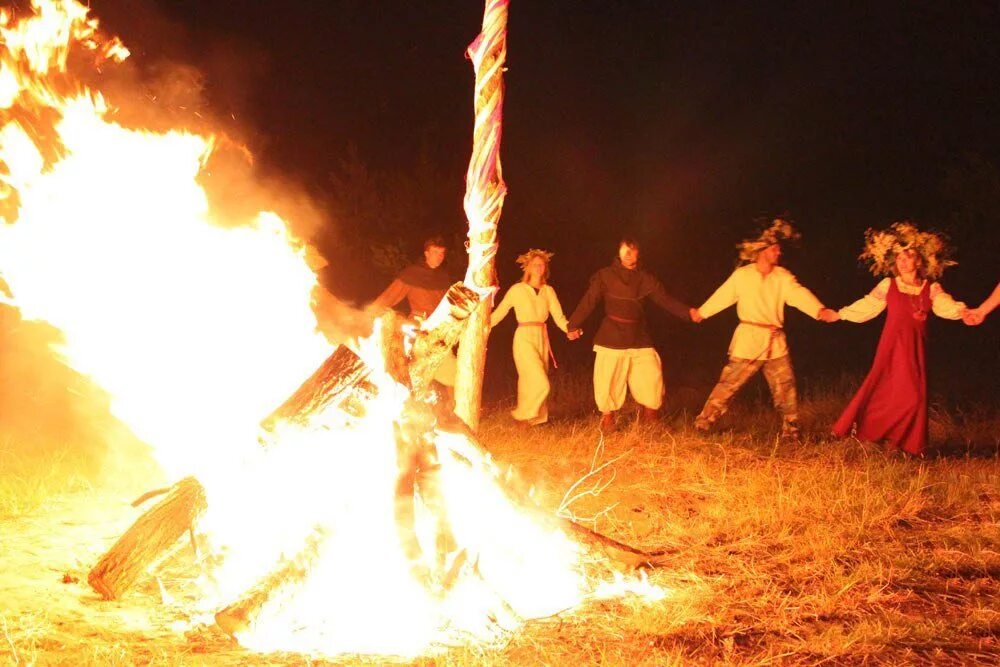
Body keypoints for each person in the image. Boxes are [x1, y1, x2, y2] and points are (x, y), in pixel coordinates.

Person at [831, 222, 971, 456]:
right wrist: (840, 314)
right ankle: (871, 436)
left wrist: (963, 312)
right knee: (883, 391)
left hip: (916, 349)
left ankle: (904, 443)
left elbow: (946, 306)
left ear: (919, 261)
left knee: (915, 398)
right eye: (899, 258)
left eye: (908, 257)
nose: (903, 261)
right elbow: (868, 304)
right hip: (891, 347)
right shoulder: (889, 285)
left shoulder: (931, 288)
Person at [692, 219, 838, 440]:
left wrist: (819, 310)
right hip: (748, 339)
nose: (778, 252)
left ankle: (791, 431)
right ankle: (703, 423)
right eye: (773, 248)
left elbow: (799, 294)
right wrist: (702, 312)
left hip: (774, 341)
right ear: (761, 251)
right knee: (729, 383)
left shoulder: (782, 277)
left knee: (785, 387)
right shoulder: (743, 275)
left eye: (778, 248)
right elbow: (725, 294)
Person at [567, 238, 696, 432]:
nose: (628, 253)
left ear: (638, 254)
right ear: (618, 252)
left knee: (651, 372)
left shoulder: (645, 279)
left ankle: (650, 416)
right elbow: (589, 301)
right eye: (624, 249)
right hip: (612, 335)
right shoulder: (605, 275)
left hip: (638, 335)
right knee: (608, 376)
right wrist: (573, 325)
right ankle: (608, 419)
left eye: (632, 250)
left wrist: (688, 313)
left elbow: (665, 300)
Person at [490, 249, 578, 425]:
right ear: (527, 267)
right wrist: (483, 328)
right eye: (535, 264)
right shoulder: (517, 290)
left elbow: (559, 317)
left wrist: (569, 329)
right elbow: (500, 312)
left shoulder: (548, 291)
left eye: (542, 264)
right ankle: (523, 415)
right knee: (540, 381)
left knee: (529, 380)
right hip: (523, 337)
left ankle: (532, 421)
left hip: (541, 337)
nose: (539, 267)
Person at [373, 236, 456, 386]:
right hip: (417, 329)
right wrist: (368, 314)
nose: (439, 256)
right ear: (426, 253)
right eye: (435, 252)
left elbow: (450, 305)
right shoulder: (412, 274)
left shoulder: (443, 277)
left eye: (442, 253)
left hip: (440, 330)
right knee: (415, 372)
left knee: (451, 375)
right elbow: (389, 296)